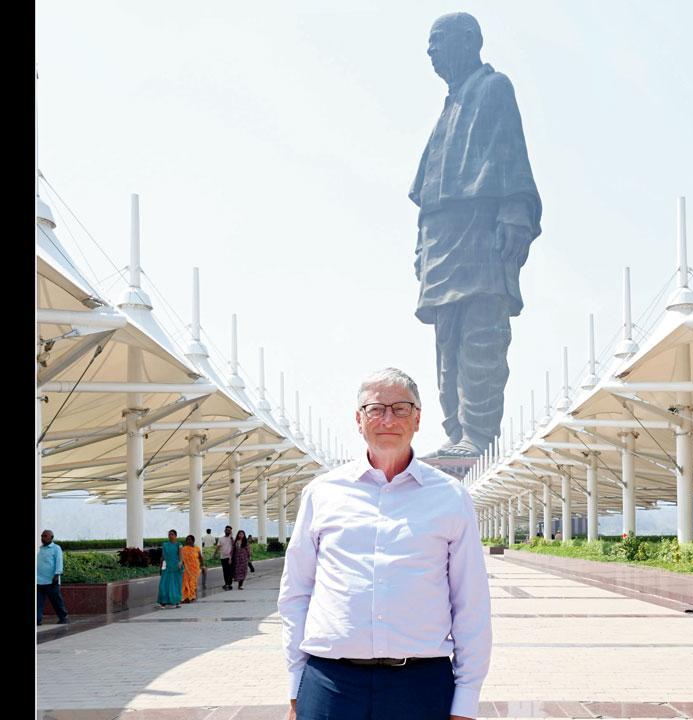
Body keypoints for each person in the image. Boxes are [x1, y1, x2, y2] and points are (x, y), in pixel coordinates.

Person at [278, 368, 491, 720]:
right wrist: (295, 684)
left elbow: (471, 603)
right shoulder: (323, 493)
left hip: (420, 684)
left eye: (400, 408)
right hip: (331, 682)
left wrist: (466, 697)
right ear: (358, 420)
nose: (387, 419)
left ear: (418, 419)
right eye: (376, 409)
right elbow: (296, 593)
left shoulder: (450, 497)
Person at [410, 12, 542, 459]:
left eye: (439, 40)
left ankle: (479, 436)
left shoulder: (493, 88)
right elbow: (427, 190)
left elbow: (511, 154)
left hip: (480, 232)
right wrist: (421, 246)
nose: (430, 51)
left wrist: (515, 213)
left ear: (469, 41)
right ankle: (455, 431)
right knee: (446, 340)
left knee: (482, 333)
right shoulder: (448, 108)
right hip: (442, 239)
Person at [37, 529, 69, 625]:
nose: (43, 538)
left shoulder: (56, 548)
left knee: (56, 601)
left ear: (51, 537)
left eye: (45, 536)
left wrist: (57, 574)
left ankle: (63, 617)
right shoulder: (40, 549)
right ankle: (37, 619)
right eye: (42, 536)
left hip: (51, 580)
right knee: (38, 602)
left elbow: (59, 562)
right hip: (38, 580)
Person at [157, 530, 184, 609]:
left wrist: (180, 563)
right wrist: (161, 567)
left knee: (175, 585)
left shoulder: (179, 545)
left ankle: (176, 601)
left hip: (176, 567)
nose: (170, 536)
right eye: (169, 534)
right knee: (163, 585)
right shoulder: (165, 545)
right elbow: (163, 557)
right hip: (166, 567)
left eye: (172, 534)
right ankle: (163, 602)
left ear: (176, 536)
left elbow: (181, 556)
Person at [181, 535, 202, 603]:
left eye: (189, 539)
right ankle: (186, 597)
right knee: (186, 583)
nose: (188, 541)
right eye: (187, 540)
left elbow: (200, 557)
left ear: (193, 541)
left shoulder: (197, 548)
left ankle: (192, 596)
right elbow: (182, 559)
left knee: (193, 583)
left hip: (195, 568)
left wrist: (203, 565)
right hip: (186, 568)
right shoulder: (184, 549)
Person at [216, 525, 236, 591]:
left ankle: (229, 584)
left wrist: (231, 537)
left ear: (231, 531)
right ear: (224, 531)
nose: (228, 531)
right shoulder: (221, 538)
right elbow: (218, 547)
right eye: (227, 530)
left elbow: (234, 546)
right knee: (225, 571)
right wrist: (214, 554)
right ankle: (226, 583)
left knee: (230, 571)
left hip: (230, 557)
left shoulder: (232, 539)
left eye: (229, 530)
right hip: (223, 557)